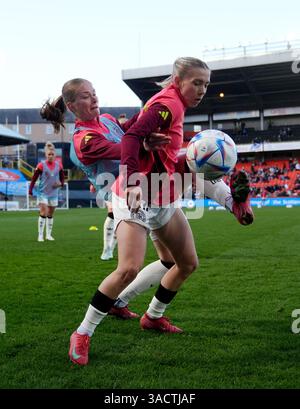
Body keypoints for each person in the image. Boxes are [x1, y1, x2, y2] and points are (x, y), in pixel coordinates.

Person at [64, 56, 254, 366]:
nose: (203, 89)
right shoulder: (89, 137)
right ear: (179, 81)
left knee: (186, 262)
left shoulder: (115, 118)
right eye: (197, 83)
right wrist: (137, 162)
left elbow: (132, 131)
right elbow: (131, 138)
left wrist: (142, 131)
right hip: (130, 195)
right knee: (127, 268)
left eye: (206, 84)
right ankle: (82, 333)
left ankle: (152, 317)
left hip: (160, 194)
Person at [29, 142, 64, 242]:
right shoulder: (41, 165)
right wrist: (30, 190)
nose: (51, 156)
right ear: (46, 155)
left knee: (50, 214)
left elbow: (62, 179)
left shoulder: (59, 166)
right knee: (44, 212)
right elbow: (34, 179)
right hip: (42, 193)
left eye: (52, 154)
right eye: (49, 154)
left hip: (53, 193)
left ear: (55, 155)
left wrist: (60, 184)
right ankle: (40, 235)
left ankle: (48, 235)